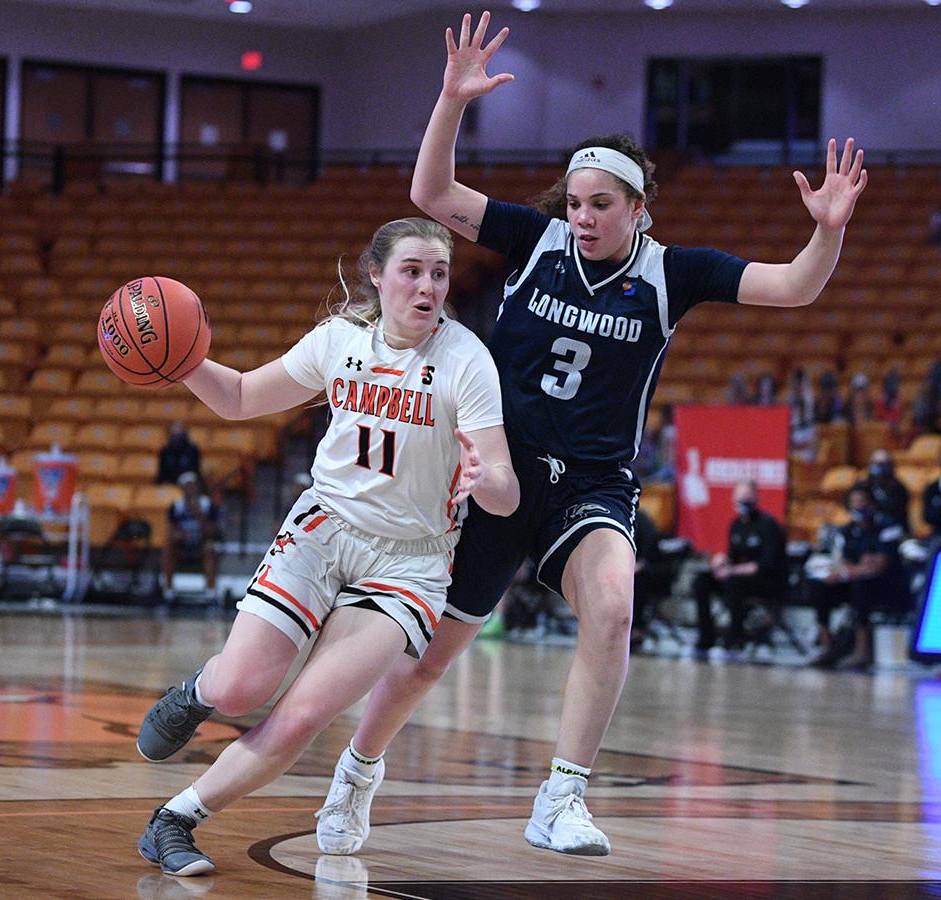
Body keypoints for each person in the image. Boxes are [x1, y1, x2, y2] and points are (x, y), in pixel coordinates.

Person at [315, 11, 868, 859]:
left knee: (613, 605)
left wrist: (826, 229)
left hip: (592, 482)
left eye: (600, 206)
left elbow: (794, 287)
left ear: (639, 209)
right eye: (574, 203)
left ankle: (561, 798)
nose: (581, 217)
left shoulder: (672, 272)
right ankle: (356, 773)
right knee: (429, 660)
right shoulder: (534, 240)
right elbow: (430, 195)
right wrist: (452, 99)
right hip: (495, 473)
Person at [132, 217, 517, 877]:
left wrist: (489, 482)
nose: (427, 287)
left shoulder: (466, 359)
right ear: (377, 274)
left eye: (439, 273)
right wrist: (184, 361)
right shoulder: (339, 341)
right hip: (325, 530)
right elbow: (243, 396)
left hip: (411, 562)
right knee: (244, 685)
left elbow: (506, 491)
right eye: (412, 271)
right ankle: (201, 690)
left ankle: (176, 818)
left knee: (306, 711)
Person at [809, 484, 909, 670]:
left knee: (861, 587)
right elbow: (842, 563)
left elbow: (879, 567)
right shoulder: (847, 531)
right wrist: (853, 569)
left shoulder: (888, 527)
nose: (858, 507)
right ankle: (828, 646)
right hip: (857, 578)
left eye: (862, 502)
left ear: (872, 504)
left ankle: (862, 652)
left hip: (888, 585)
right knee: (820, 586)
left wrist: (854, 569)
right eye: (854, 503)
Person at [691, 480, 787, 654]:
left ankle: (736, 637)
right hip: (738, 576)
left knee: (734, 583)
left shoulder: (768, 524)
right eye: (740, 498)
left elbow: (767, 564)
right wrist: (721, 561)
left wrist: (732, 571)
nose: (743, 502)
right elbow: (733, 557)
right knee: (702, 581)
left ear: (756, 497)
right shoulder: (736, 524)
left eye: (747, 497)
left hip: (766, 581)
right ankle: (706, 637)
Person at [162, 472, 221, 600]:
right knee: (168, 547)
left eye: (192, 486)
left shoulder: (208, 505)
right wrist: (178, 535)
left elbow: (213, 532)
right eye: (187, 486)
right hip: (183, 544)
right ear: (182, 488)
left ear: (198, 487)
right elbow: (170, 530)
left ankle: (210, 593)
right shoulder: (176, 507)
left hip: (201, 543)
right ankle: (168, 592)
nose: (190, 489)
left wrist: (199, 514)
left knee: (210, 548)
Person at [856, 448, 910, 526]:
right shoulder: (863, 486)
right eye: (875, 463)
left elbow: (897, 511)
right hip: (868, 529)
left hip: (893, 527)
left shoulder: (899, 488)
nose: (878, 467)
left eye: (882, 464)